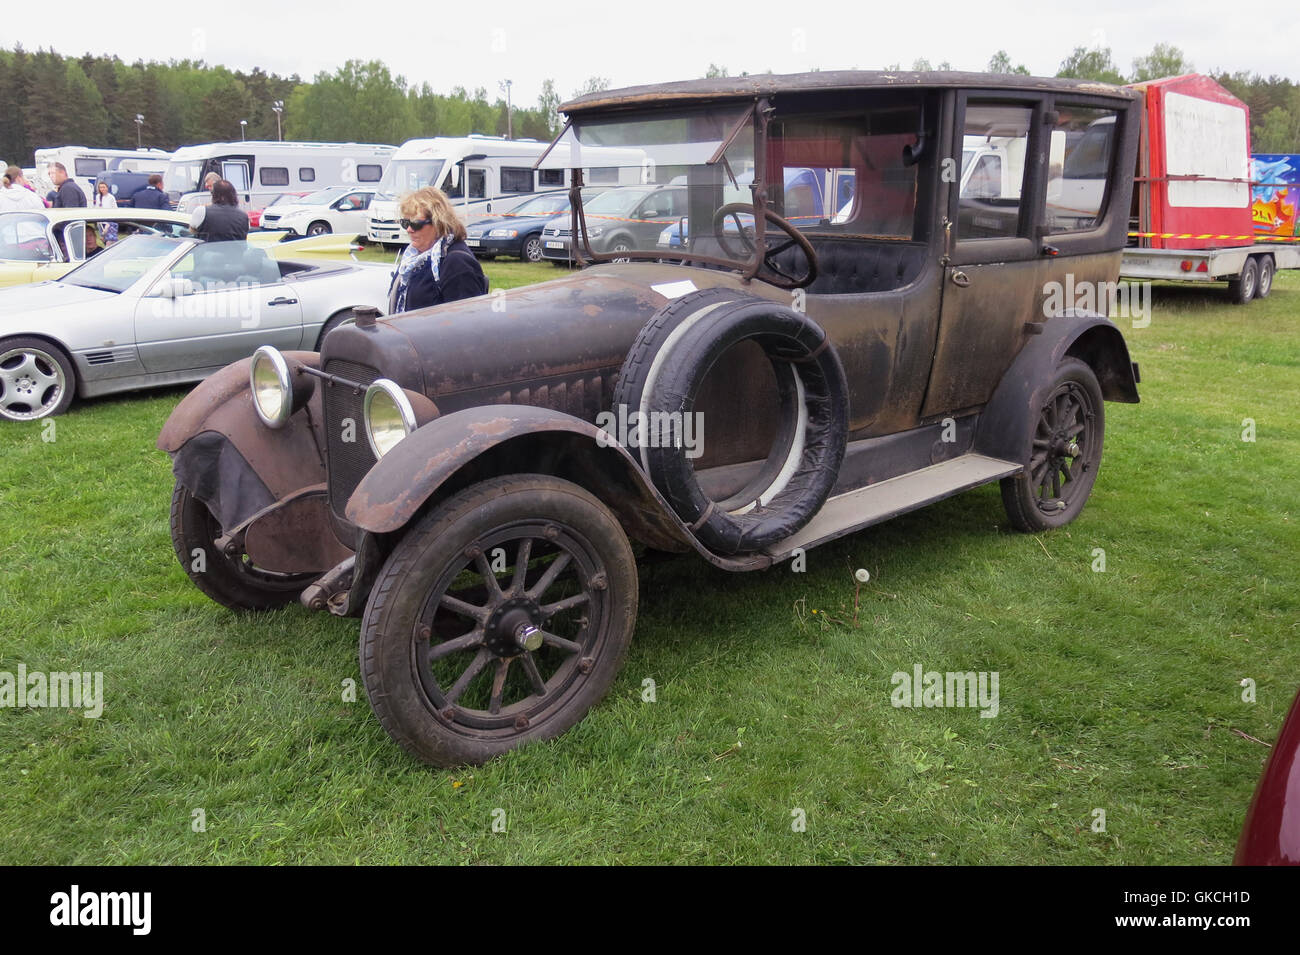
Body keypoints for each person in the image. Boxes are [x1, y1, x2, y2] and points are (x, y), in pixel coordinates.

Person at [389, 186, 488, 313]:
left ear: (438, 222)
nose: (409, 229)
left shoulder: (457, 262)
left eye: (416, 224)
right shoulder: (413, 258)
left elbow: (467, 321)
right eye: (405, 223)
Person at [93, 180, 118, 245]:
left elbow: (115, 209)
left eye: (103, 187)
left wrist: (110, 222)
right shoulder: (98, 196)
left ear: (107, 188)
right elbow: (97, 207)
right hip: (100, 221)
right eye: (100, 187)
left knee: (110, 239)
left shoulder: (111, 197)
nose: (102, 189)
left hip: (109, 221)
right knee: (102, 238)